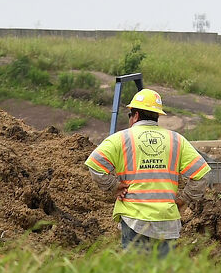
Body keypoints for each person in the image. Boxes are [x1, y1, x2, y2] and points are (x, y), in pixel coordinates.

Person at [85, 86, 210, 257]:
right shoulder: (176, 140)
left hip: (134, 218)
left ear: (135, 115)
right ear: (157, 116)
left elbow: (95, 164)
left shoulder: (121, 138)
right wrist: (184, 200)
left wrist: (114, 186)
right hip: (166, 221)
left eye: (130, 115)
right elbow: (202, 175)